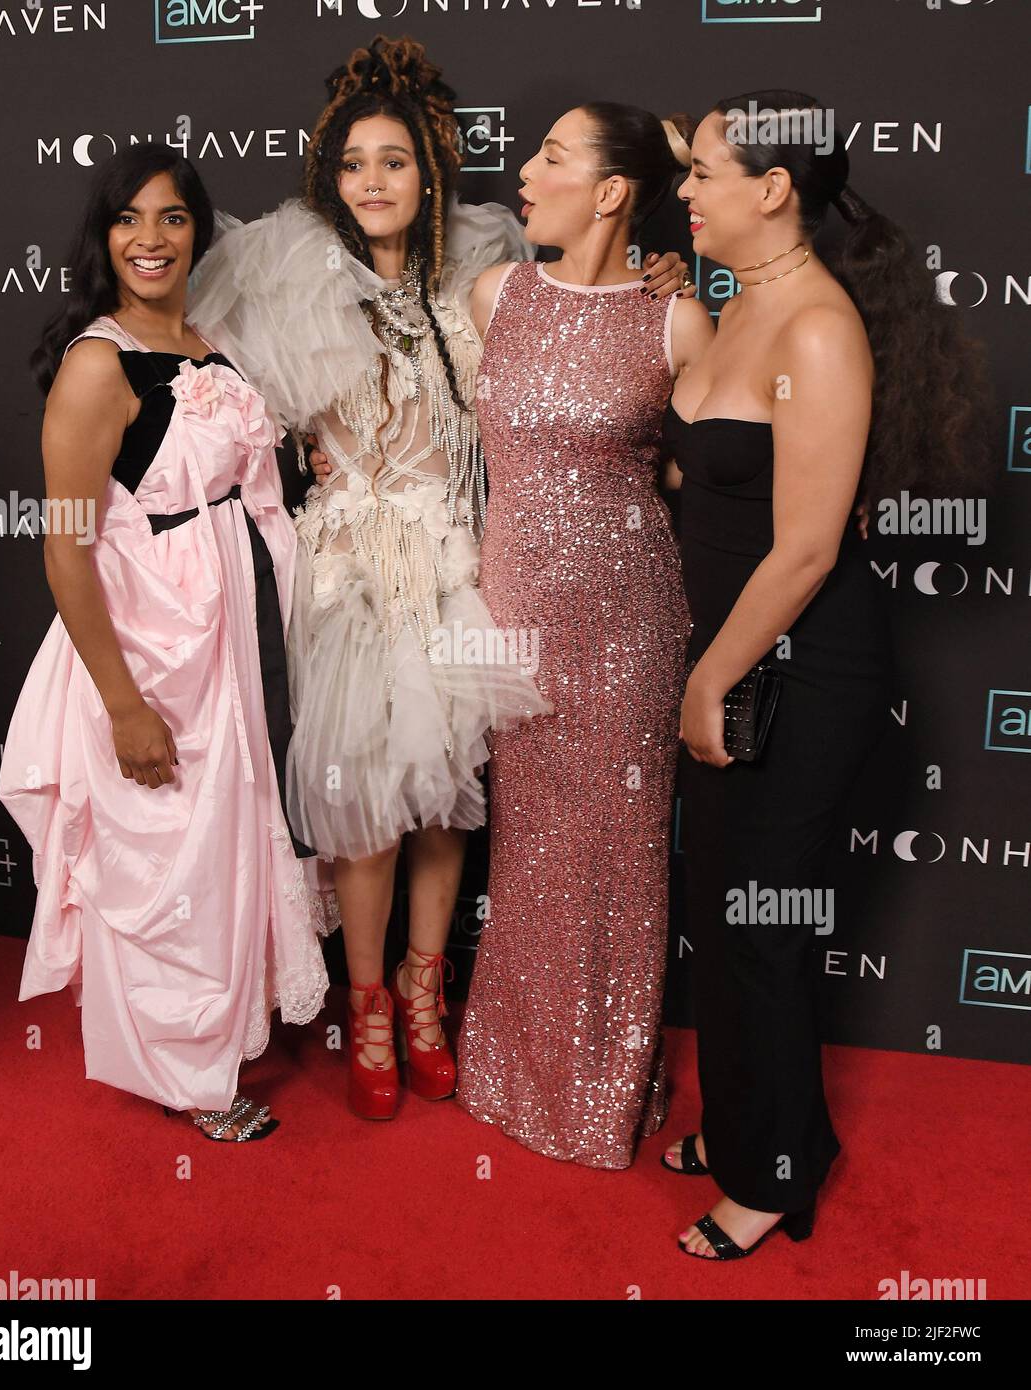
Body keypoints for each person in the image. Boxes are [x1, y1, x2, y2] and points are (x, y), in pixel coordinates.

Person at [189, 38, 699, 1121]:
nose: (371, 182)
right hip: (347, 573)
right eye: (352, 164)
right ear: (330, 177)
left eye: (395, 163)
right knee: (364, 798)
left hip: (460, 561)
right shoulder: (282, 283)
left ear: (429, 177)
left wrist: (662, 271)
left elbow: (584, 340)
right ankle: (366, 1001)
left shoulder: (482, 284)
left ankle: (427, 991)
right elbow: (196, 372)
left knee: (446, 798)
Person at [661, 91, 991, 1258]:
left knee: (755, 926)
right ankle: (760, 1120)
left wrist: (707, 680)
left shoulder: (813, 326)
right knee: (726, 914)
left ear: (771, 188)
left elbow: (804, 546)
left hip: (797, 669)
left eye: (703, 173)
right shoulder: (739, 305)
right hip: (741, 656)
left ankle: (772, 1177)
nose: (685, 191)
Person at [0, 144, 332, 1142]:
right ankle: (186, 1073)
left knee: (223, 847)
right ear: (103, 236)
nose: (152, 239)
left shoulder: (209, 339)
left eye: (173, 218)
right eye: (129, 219)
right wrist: (124, 703)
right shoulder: (97, 365)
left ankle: (223, 1028)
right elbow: (67, 554)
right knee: (166, 862)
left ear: (198, 230)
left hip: (233, 642)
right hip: (151, 650)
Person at [452, 103, 714, 1168]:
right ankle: (510, 1067)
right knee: (526, 856)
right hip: (510, 624)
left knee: (613, 860)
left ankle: (602, 1088)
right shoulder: (493, 294)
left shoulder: (676, 323)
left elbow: (716, 474)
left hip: (626, 628)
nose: (524, 169)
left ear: (611, 191)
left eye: (551, 156)